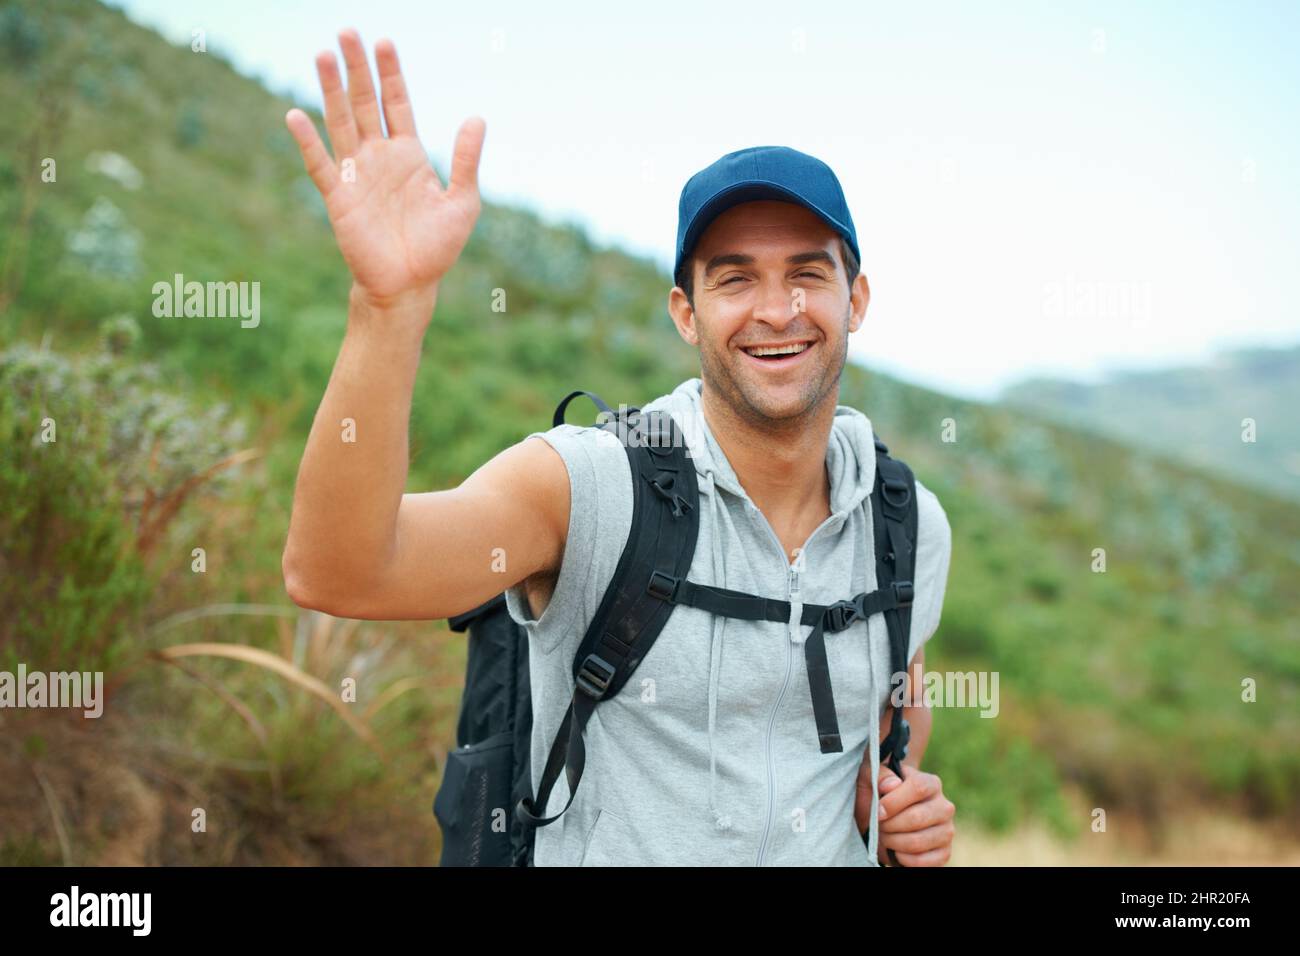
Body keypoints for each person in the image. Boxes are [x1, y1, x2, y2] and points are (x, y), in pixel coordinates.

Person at [282, 29, 955, 866]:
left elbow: (896, 709)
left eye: (808, 274)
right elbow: (338, 570)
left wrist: (895, 808)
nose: (777, 310)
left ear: (855, 299)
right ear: (685, 313)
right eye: (735, 277)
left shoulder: (906, 524)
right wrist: (388, 307)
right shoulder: (594, 486)